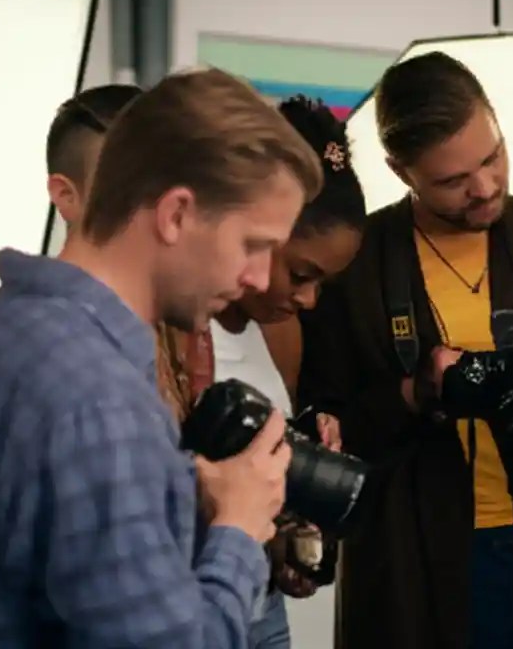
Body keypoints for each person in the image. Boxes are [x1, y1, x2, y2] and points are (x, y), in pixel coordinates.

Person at [0, 68, 323, 647]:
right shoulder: (102, 401)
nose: (260, 277)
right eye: (253, 244)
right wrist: (237, 528)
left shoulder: (2, 327)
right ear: (176, 214)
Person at [299, 51, 513, 649]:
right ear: (402, 172)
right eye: (454, 180)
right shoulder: (358, 259)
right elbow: (324, 425)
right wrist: (414, 392)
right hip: (406, 556)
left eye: (493, 155)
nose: (485, 187)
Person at [203, 94, 365, 648]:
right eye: (301, 273)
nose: (309, 299)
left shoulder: (281, 331)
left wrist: (289, 537)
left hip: (261, 609)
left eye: (324, 283)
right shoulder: (172, 334)